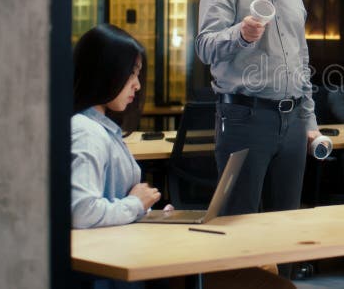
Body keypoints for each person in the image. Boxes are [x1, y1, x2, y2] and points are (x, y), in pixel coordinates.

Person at [71, 24, 293, 289]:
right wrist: (135, 205)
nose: (137, 85)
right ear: (105, 73)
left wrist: (147, 215)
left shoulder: (102, 129)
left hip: (133, 250)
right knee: (266, 278)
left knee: (264, 267)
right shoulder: (86, 132)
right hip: (123, 264)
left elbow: (108, 204)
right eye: (131, 74)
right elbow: (81, 213)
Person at [195, 0, 320, 218]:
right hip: (244, 118)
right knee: (240, 220)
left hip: (293, 119)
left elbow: (300, 61)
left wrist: (310, 121)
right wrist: (241, 34)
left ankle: (283, 274)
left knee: (286, 219)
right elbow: (205, 47)